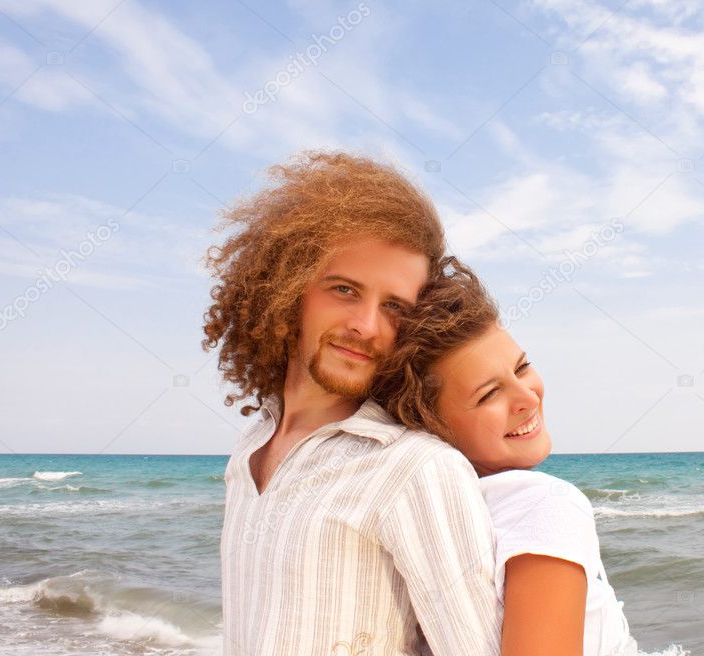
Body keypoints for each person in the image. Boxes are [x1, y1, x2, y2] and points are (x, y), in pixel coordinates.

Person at [202, 151, 501, 655]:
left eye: (394, 307)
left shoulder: (416, 469)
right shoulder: (250, 447)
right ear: (287, 289)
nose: (366, 325)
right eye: (344, 289)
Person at [372, 261, 639, 656]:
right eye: (488, 395)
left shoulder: (419, 513)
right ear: (429, 424)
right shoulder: (545, 504)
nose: (528, 398)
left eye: (522, 367)